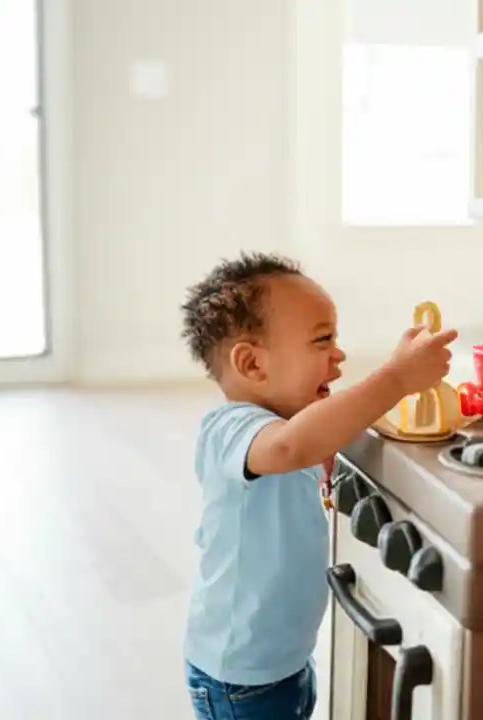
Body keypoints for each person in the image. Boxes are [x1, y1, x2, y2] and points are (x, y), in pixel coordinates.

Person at [179, 252, 457, 719]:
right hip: (240, 677)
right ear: (251, 363)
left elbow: (310, 439)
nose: (339, 353)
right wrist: (396, 378)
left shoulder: (288, 422)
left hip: (283, 663)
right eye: (322, 339)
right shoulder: (228, 428)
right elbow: (289, 449)